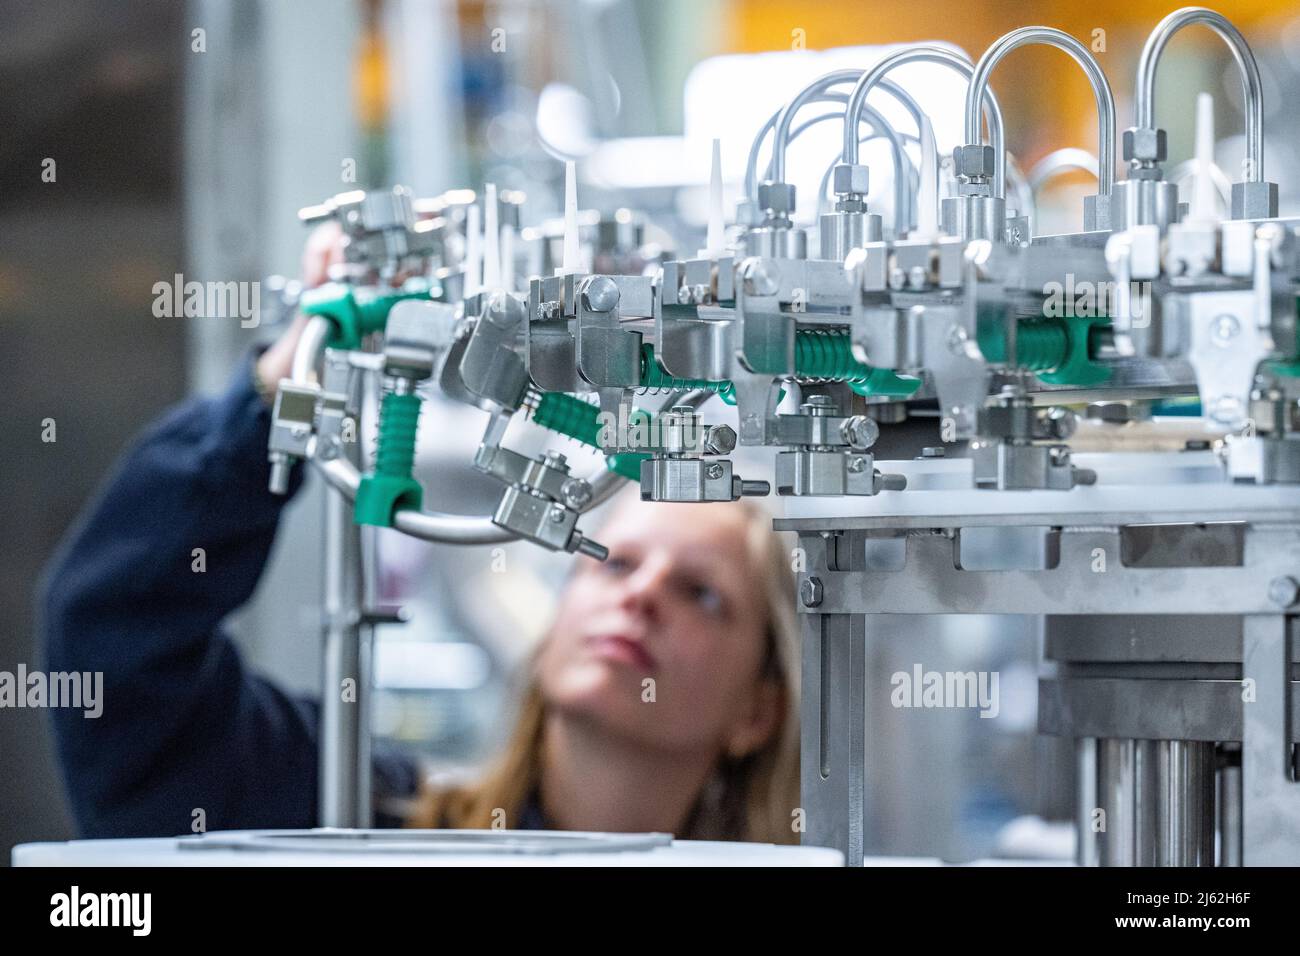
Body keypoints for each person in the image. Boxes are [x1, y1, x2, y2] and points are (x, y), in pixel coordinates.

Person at [38, 233, 801, 844]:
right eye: (618, 562)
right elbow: (113, 643)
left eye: (701, 593)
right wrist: (283, 382)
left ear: (757, 712)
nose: (639, 595)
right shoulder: (362, 821)